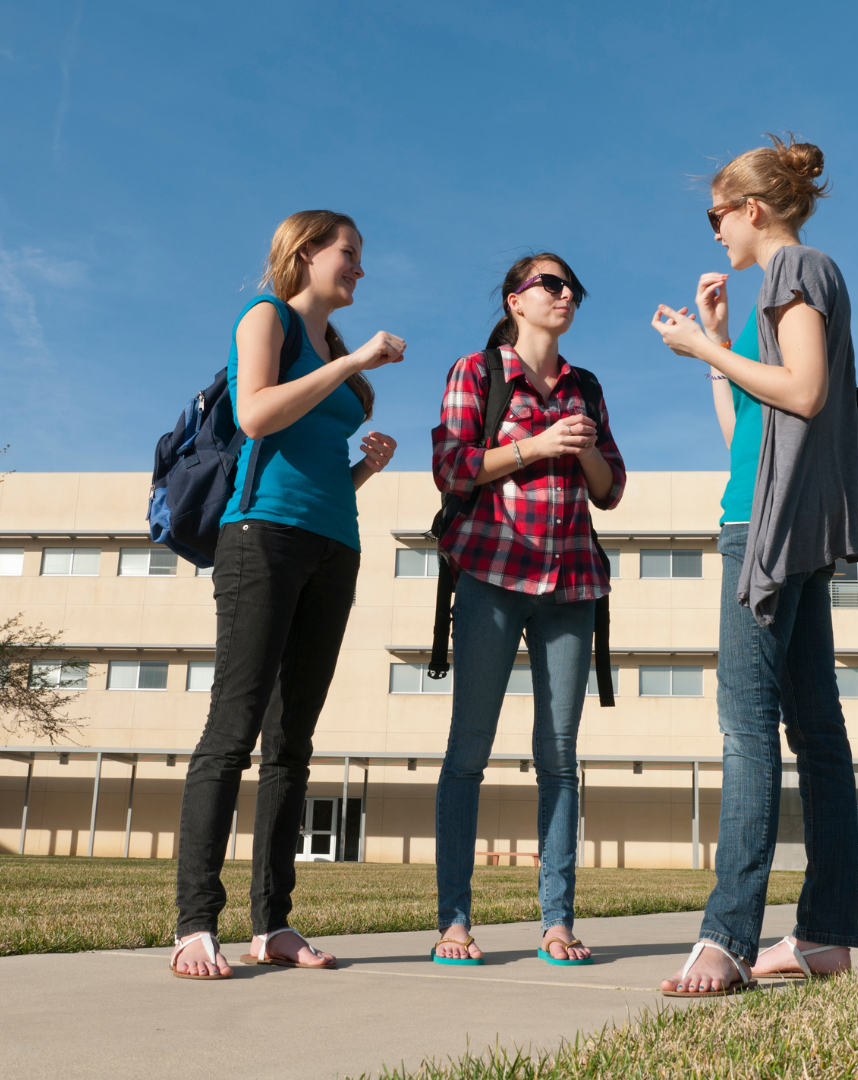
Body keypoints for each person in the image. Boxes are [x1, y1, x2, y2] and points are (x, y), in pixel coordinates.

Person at [650, 135, 858, 995]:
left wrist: (705, 352)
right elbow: (750, 432)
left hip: (765, 535)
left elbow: (805, 392)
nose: (713, 235)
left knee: (746, 729)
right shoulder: (793, 282)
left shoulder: (794, 270)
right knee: (817, 735)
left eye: (716, 215)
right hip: (787, 520)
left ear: (752, 209)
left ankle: (726, 937)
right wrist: (711, 340)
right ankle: (824, 937)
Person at [170, 210, 405, 979]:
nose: (360, 270)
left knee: (292, 744)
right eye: (350, 255)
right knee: (232, 729)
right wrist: (353, 362)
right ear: (305, 254)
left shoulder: (332, 349)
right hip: (259, 538)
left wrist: (364, 469)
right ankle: (194, 924)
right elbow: (256, 412)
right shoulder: (266, 317)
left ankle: (273, 924)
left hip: (334, 543)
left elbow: (312, 464)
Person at [429, 253, 625, 966]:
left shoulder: (586, 386)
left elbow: (611, 487)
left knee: (560, 759)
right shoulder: (476, 373)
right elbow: (454, 466)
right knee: (468, 754)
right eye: (551, 284)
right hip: (490, 572)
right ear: (516, 299)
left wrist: (580, 451)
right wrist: (536, 445)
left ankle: (557, 921)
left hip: (571, 583)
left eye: (572, 287)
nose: (566, 294)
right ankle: (454, 922)